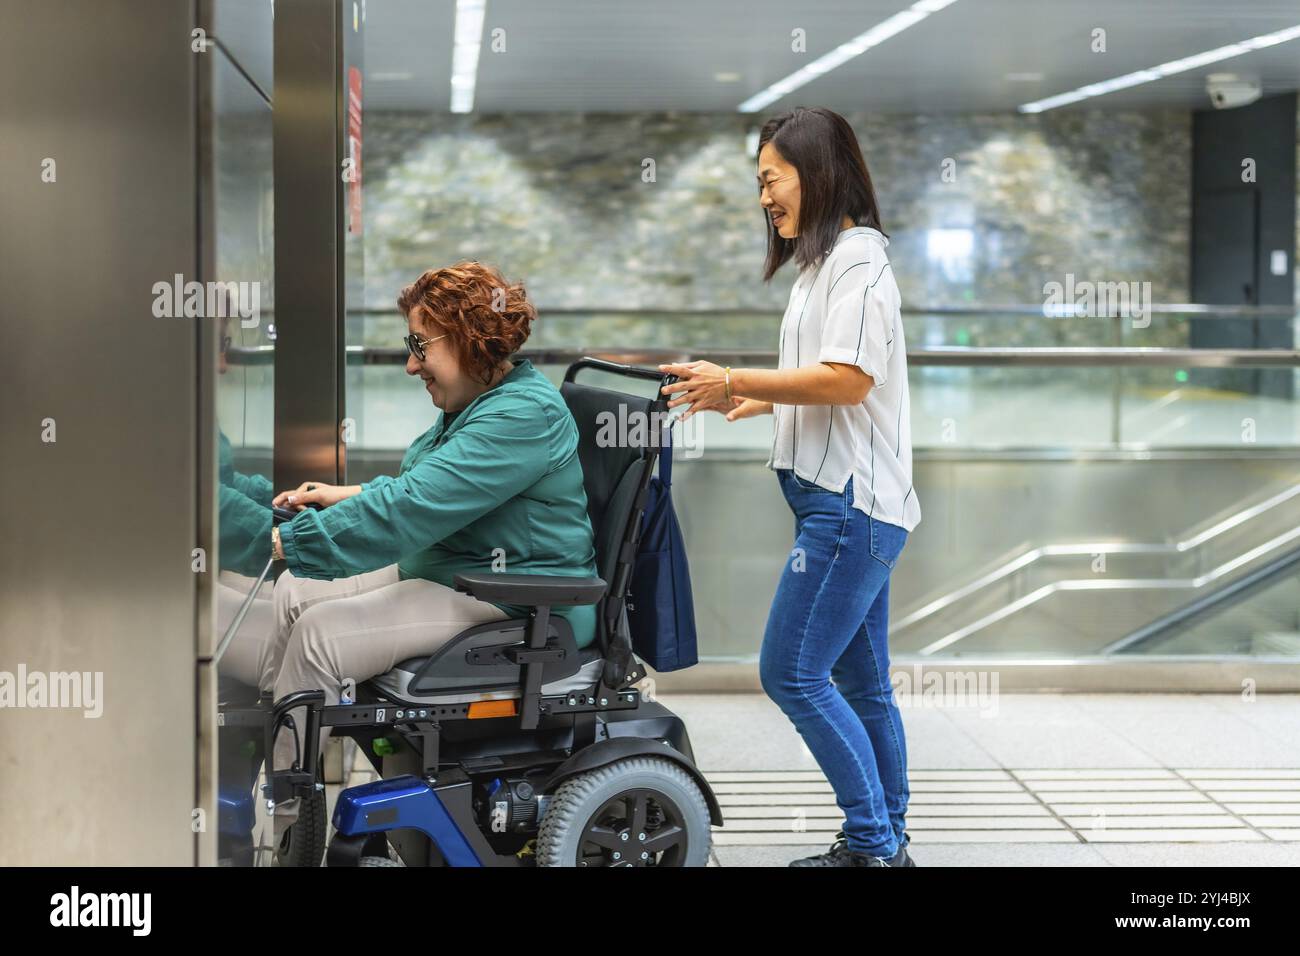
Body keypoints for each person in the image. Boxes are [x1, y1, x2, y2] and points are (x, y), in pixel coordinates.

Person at [660, 107, 921, 867]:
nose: (764, 198)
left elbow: (848, 381)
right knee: (864, 688)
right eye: (759, 184)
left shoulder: (860, 262)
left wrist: (735, 375)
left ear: (818, 173)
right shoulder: (823, 262)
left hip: (847, 511)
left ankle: (875, 845)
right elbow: (835, 375)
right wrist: (764, 399)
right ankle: (884, 840)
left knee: (792, 673)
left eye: (771, 180)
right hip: (843, 506)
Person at [264, 261, 598, 841]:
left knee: (320, 637)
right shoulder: (476, 403)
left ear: (469, 341)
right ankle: (279, 766)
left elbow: (412, 508)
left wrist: (281, 541)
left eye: (420, 345)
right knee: (295, 593)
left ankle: (290, 827)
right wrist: (343, 496)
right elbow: (431, 487)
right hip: (454, 569)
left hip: (518, 599)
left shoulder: (522, 415)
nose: (411, 362)